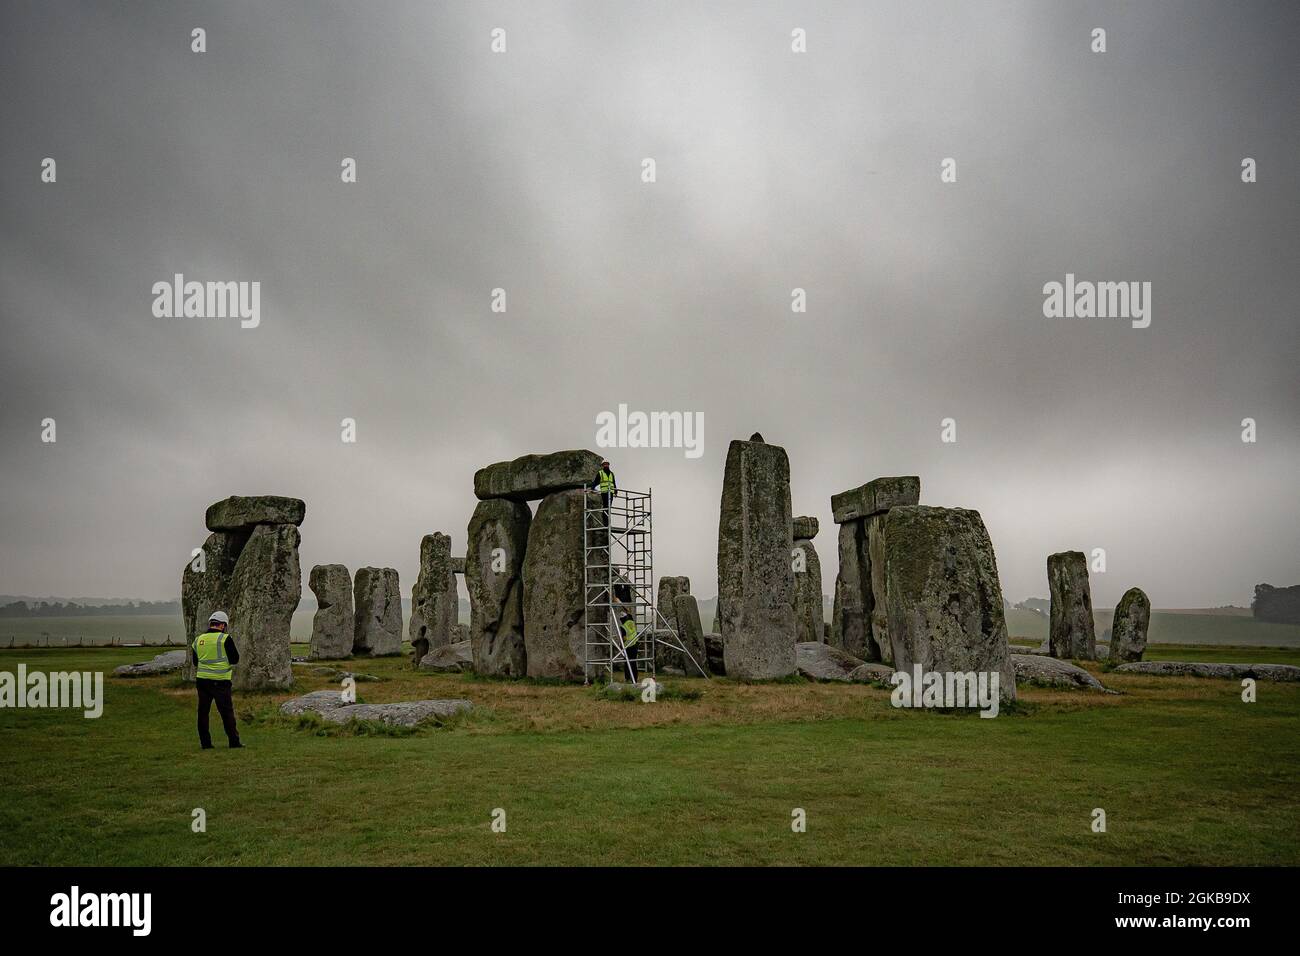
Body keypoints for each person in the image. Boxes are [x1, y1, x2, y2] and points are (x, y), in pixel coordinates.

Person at [192, 610, 242, 749]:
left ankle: (205, 743)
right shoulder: (224, 639)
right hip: (220, 681)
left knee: (203, 712)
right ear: (223, 625)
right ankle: (234, 741)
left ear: (211, 624)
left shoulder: (198, 640)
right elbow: (235, 659)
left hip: (202, 681)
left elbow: (196, 662)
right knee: (226, 712)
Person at [617, 611, 640, 682]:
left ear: (621, 619)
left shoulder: (623, 626)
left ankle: (627, 678)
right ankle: (635, 679)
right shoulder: (632, 622)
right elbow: (629, 613)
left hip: (628, 647)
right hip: (635, 644)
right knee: (633, 663)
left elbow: (624, 638)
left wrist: (621, 645)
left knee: (627, 663)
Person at [592, 458, 616, 527]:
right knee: (605, 507)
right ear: (602, 466)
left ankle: (608, 523)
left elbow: (613, 483)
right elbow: (596, 481)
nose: (606, 466)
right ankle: (605, 523)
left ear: (608, 465)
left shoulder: (611, 474)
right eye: (604, 464)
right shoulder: (600, 473)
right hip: (604, 492)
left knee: (609, 507)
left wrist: (615, 491)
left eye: (607, 464)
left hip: (610, 492)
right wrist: (592, 488)